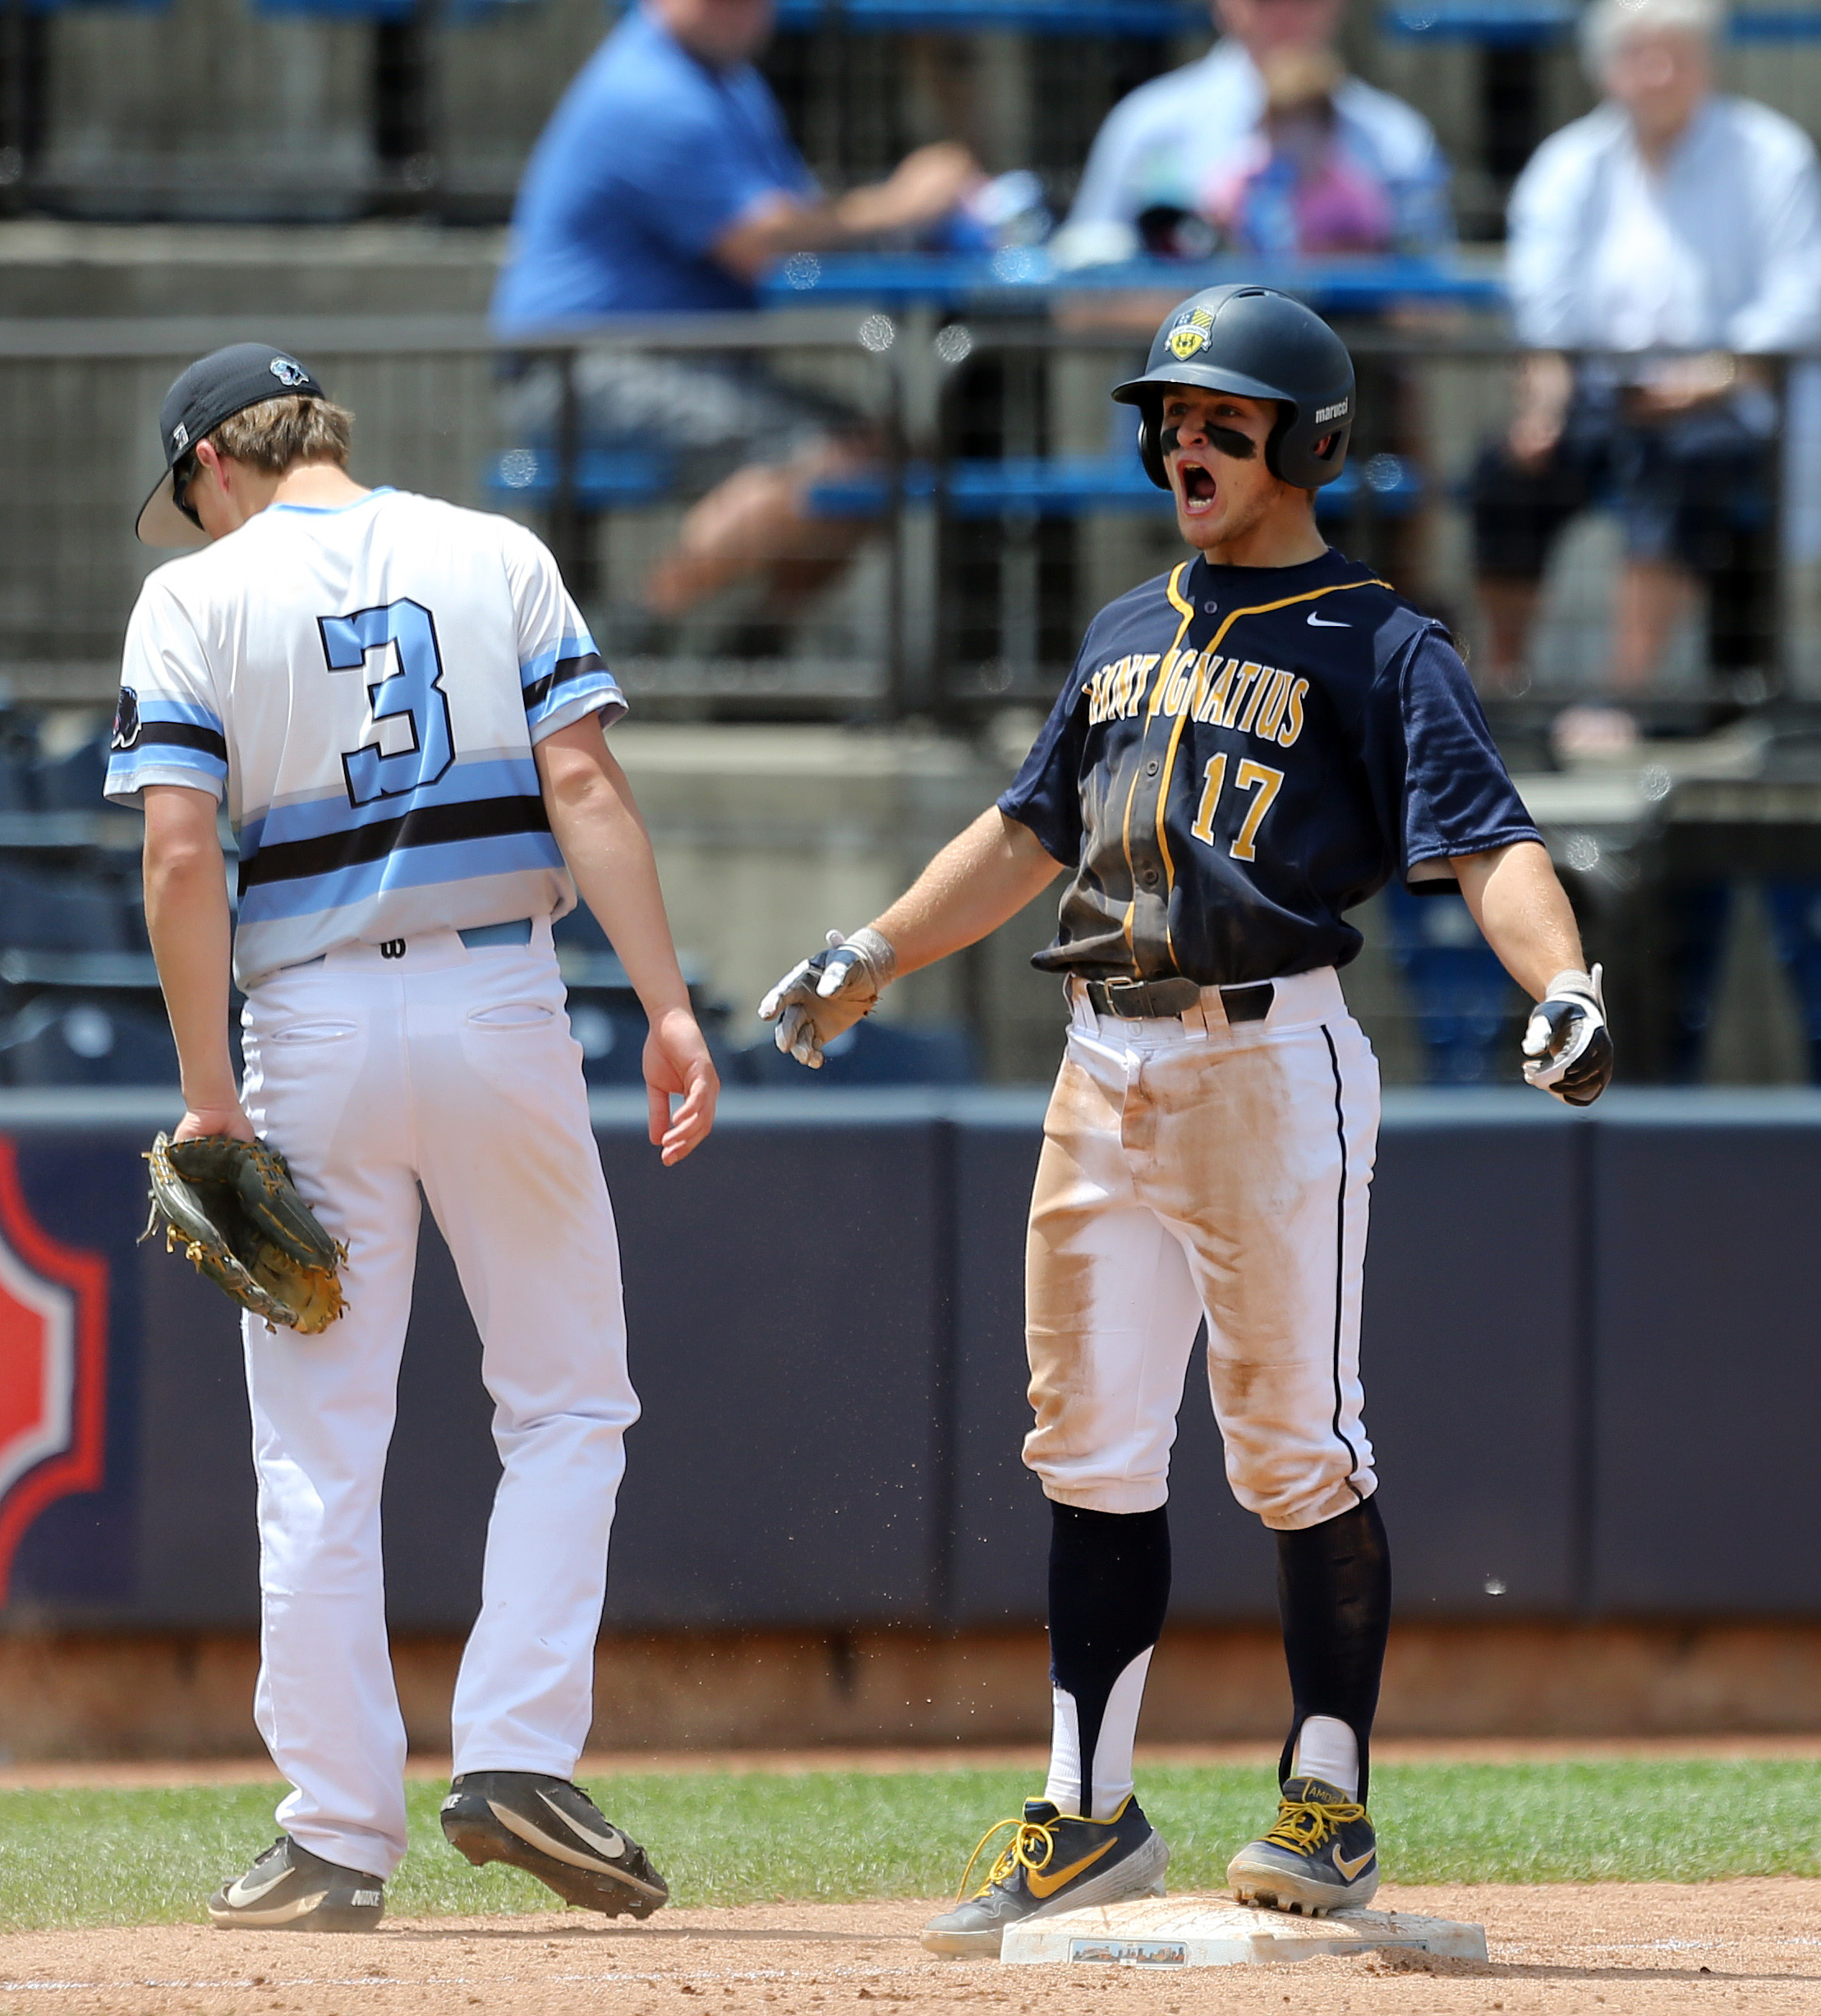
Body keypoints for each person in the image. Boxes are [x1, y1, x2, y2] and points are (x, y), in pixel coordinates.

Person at [759, 287, 1612, 1956]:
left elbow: (1487, 842)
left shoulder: (1382, 637)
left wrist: (1561, 979)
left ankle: (1329, 1798)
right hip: (1101, 1064)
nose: (1184, 443)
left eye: (1223, 419)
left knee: (1298, 1447)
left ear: (1306, 443)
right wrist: (871, 947)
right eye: (1171, 418)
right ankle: (1088, 1810)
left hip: (1265, 1061)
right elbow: (1026, 835)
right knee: (1085, 1449)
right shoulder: (1123, 626)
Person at [105, 343, 718, 1931]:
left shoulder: (197, 596)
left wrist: (206, 1091)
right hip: (500, 998)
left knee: (317, 1445)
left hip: (305, 1018)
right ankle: (515, 1750)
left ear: (212, 464)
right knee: (570, 1397)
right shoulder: (493, 548)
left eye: (187, 494)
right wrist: (662, 1000)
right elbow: (581, 775)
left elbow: (181, 855)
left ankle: (330, 1837)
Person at [492, 0, 978, 637]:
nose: (745, 10)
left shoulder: (729, 84)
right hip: (579, 372)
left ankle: (748, 649)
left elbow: (797, 217)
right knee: (831, 456)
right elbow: (762, 243)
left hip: (669, 361)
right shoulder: (652, 90)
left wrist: (904, 216)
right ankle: (632, 635)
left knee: (879, 454)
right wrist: (902, 206)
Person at [1474, 0, 1821, 698]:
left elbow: (1796, 300)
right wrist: (1542, 408)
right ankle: (1501, 688)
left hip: (1732, 391)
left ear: (1708, 63)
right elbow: (1545, 306)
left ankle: (1619, 696)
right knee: (1504, 475)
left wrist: (1709, 379)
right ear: (1606, 69)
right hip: (1592, 388)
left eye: (1678, 55)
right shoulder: (1568, 162)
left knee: (1683, 465)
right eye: (1639, 55)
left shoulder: (1774, 153)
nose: (1659, 73)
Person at [1052, 0, 1451, 272]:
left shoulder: (1398, 139)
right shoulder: (1148, 125)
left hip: (1347, 382)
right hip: (1183, 381)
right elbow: (1082, 298)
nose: (1285, 12)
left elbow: (1434, 309)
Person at [1203, 48, 1397, 260]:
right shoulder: (1239, 182)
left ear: (1327, 127)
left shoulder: (1354, 194)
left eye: (1302, 124)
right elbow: (1208, 239)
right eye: (1279, 123)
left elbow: (1369, 259)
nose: (1289, 137)